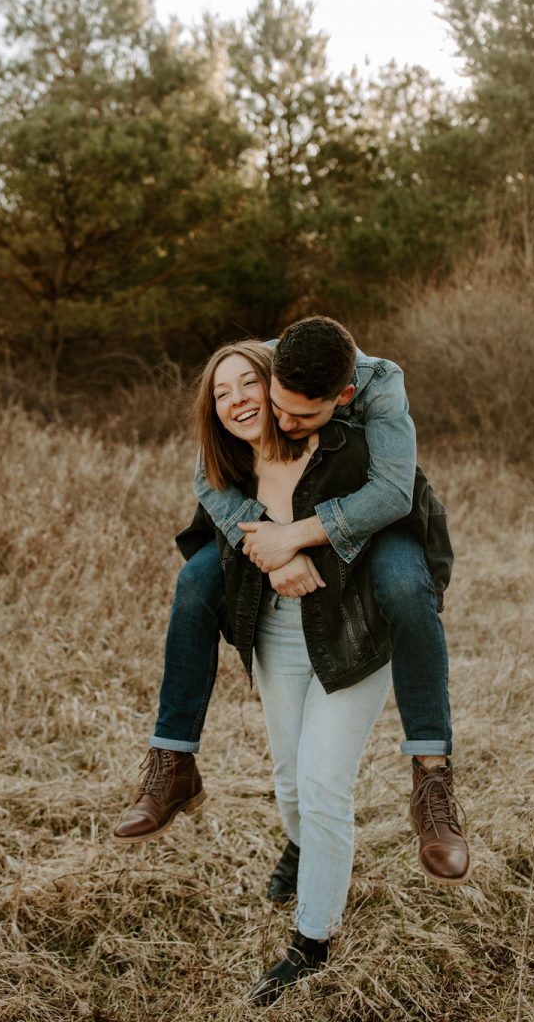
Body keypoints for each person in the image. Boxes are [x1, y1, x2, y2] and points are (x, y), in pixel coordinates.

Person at [113, 316, 469, 887]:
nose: (281, 421)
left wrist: (295, 537)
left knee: (405, 587)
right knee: (196, 583)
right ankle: (174, 760)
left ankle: (432, 777)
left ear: (343, 396)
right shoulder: (258, 366)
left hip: (381, 515)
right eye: (277, 404)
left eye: (300, 415)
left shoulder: (379, 386)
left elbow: (391, 492)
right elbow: (209, 472)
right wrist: (265, 541)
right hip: (277, 517)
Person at [175, 338, 392, 1004]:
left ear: (276, 389)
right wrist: (268, 552)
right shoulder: (229, 470)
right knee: (289, 781)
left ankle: (312, 938)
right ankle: (300, 847)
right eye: (222, 392)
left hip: (354, 631)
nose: (237, 400)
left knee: (324, 784)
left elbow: (397, 509)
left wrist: (297, 542)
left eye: (248, 385)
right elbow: (219, 524)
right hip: (276, 632)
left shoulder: (344, 447)